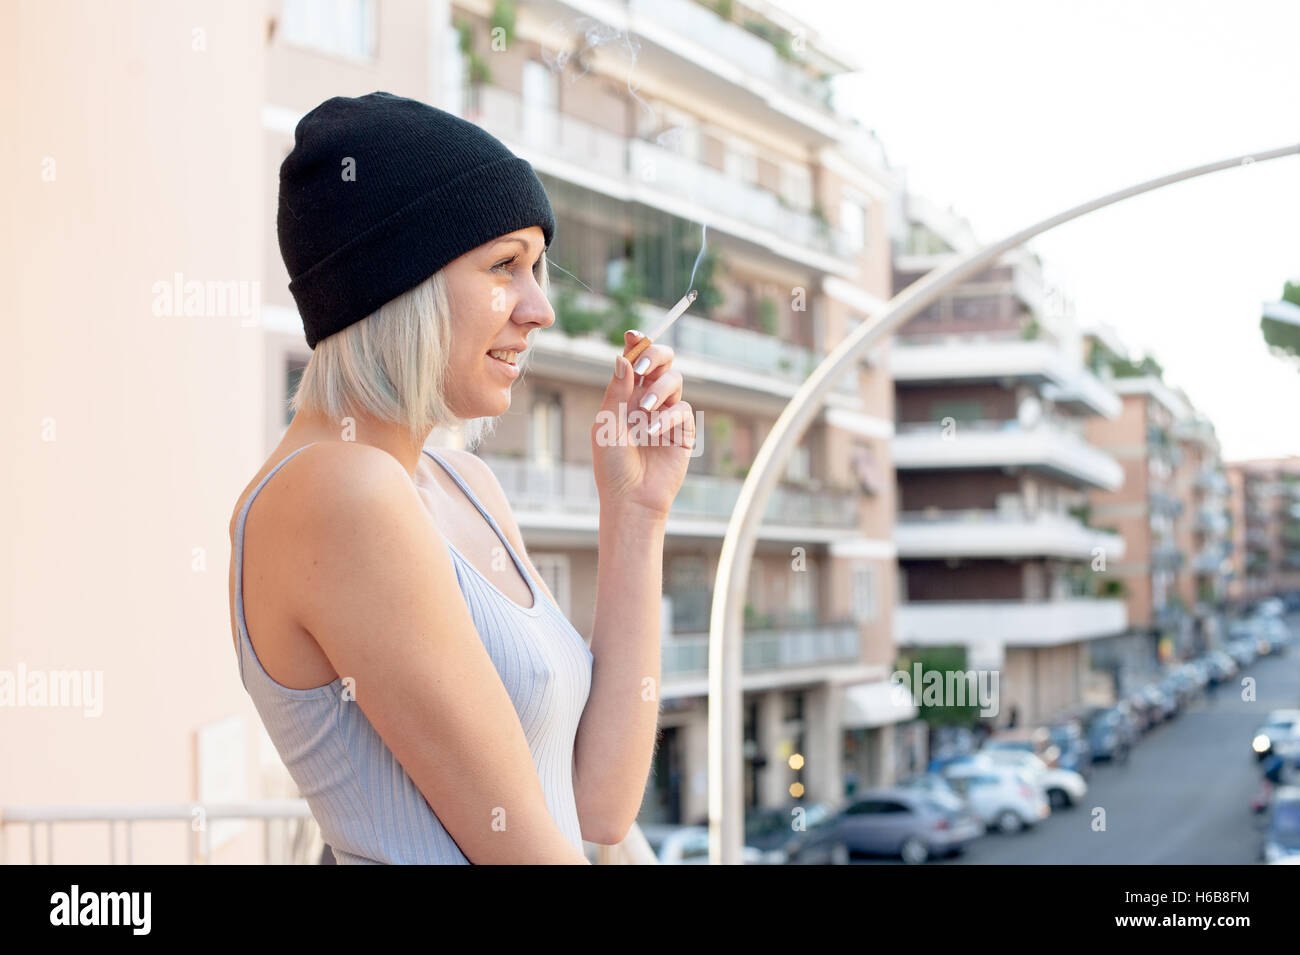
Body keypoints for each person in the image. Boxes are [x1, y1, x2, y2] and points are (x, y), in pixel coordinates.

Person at [227, 92, 695, 864]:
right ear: (395, 282)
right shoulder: (337, 493)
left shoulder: (463, 483)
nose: (540, 308)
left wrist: (637, 507)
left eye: (537, 267)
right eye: (505, 265)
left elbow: (596, 807)